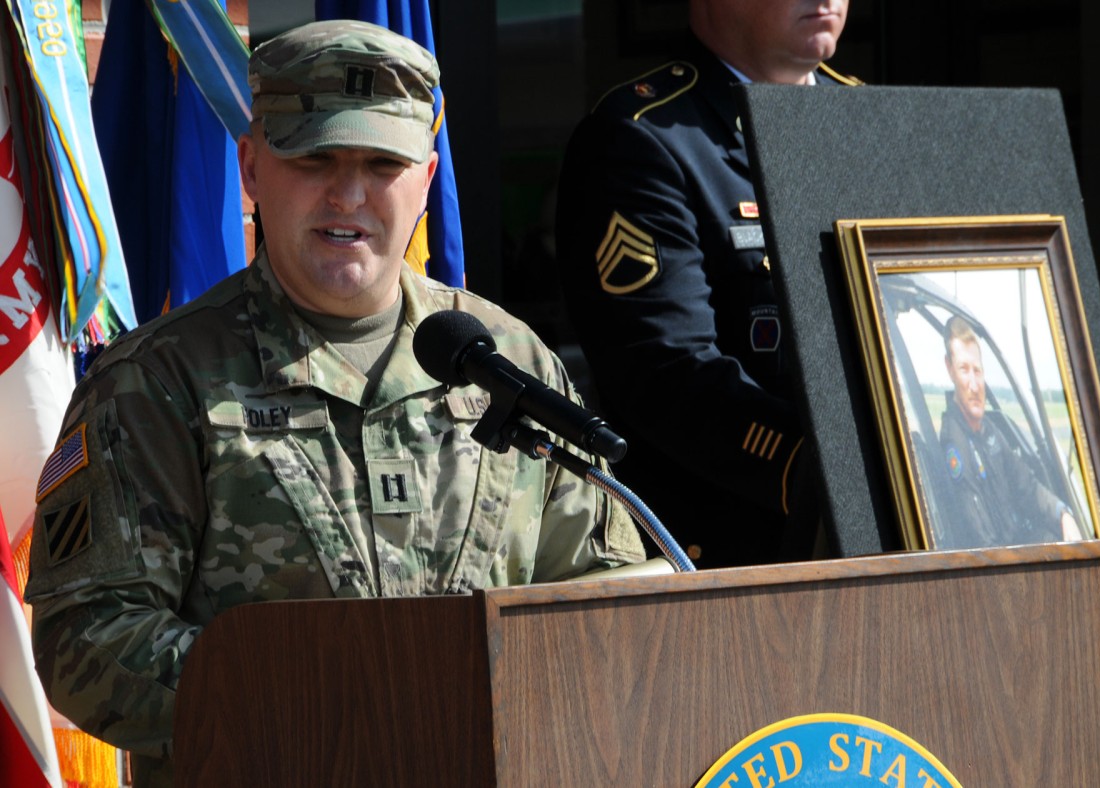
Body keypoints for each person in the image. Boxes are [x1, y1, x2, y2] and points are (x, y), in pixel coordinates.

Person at [25, 21, 644, 788]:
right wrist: (327, 698)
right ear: (252, 168)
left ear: (425, 177)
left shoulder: (508, 361)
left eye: (382, 163)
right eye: (315, 158)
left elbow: (612, 590)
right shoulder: (156, 382)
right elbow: (87, 641)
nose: (348, 194)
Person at [555, 0, 860, 567]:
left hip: (890, 532)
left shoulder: (875, 122)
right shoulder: (643, 138)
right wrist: (824, 471)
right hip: (739, 556)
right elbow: (665, 373)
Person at [937, 316, 1083, 549]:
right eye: (964, 370)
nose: (974, 385)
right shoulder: (955, 445)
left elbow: (1027, 486)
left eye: (977, 370)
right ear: (949, 369)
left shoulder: (989, 432)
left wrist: (1062, 514)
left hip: (1013, 544)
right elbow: (983, 544)